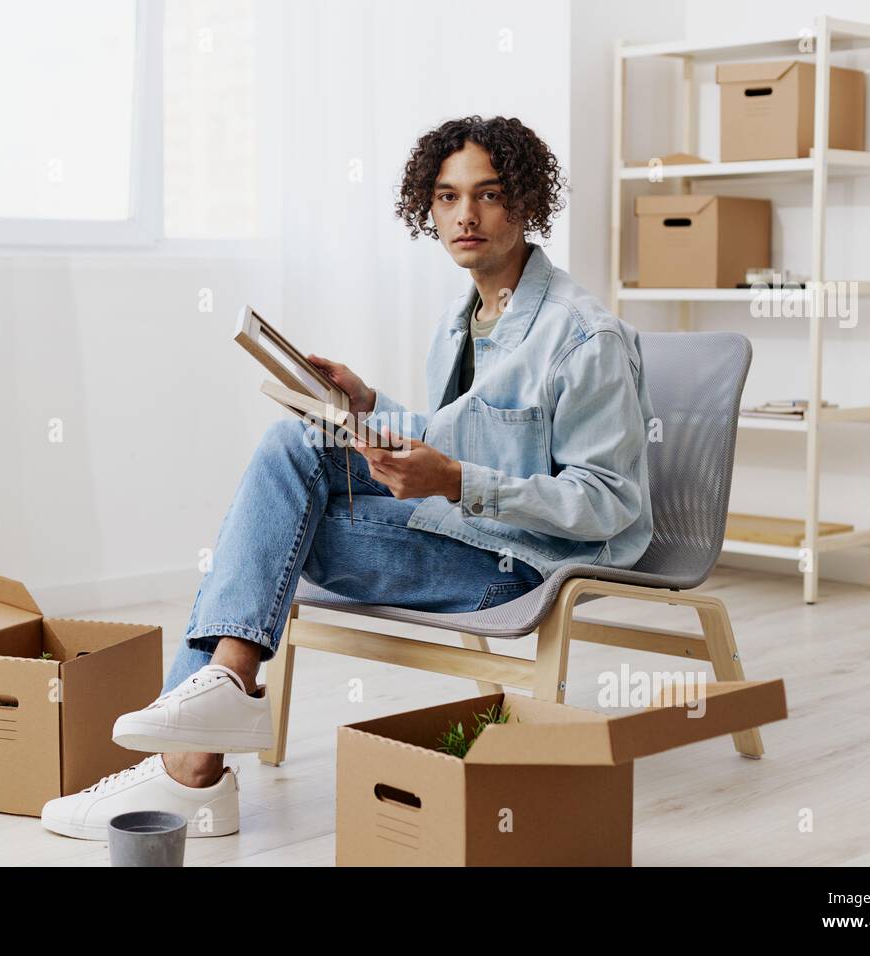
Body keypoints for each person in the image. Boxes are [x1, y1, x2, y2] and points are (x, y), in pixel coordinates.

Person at [41, 115, 655, 841]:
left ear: (524, 204)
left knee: (274, 532)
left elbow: (610, 503)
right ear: (426, 208)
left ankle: (193, 762)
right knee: (293, 440)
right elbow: (458, 433)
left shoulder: (584, 337)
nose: (465, 214)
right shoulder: (463, 322)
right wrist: (367, 406)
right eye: (447, 196)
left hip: (521, 563)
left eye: (487, 195)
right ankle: (213, 715)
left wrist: (456, 481)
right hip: (462, 529)